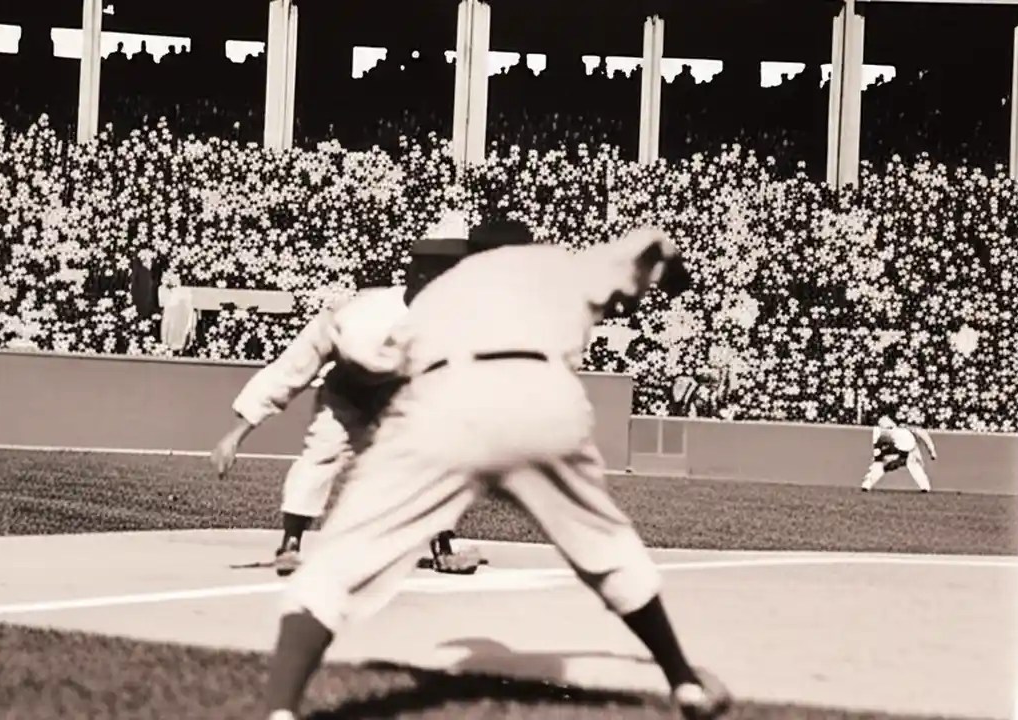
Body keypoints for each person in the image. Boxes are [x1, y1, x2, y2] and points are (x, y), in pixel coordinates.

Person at [263, 226, 732, 720]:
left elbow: (380, 360)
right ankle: (685, 683)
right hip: (541, 394)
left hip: (442, 400)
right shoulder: (557, 262)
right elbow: (648, 245)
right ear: (526, 246)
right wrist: (671, 275)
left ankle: (280, 710)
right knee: (607, 545)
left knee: (341, 559)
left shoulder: (438, 293)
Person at [209, 212, 489, 577]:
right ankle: (290, 543)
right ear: (420, 277)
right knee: (321, 456)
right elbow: (292, 368)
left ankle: (442, 545)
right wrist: (236, 433)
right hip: (348, 395)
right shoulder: (358, 316)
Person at [861, 413, 938, 493]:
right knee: (880, 465)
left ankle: (925, 487)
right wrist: (880, 456)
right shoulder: (879, 433)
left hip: (911, 450)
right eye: (883, 428)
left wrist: (932, 451)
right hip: (893, 450)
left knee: (914, 465)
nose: (885, 430)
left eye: (889, 428)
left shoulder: (905, 431)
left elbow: (923, 435)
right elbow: (878, 452)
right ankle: (867, 484)